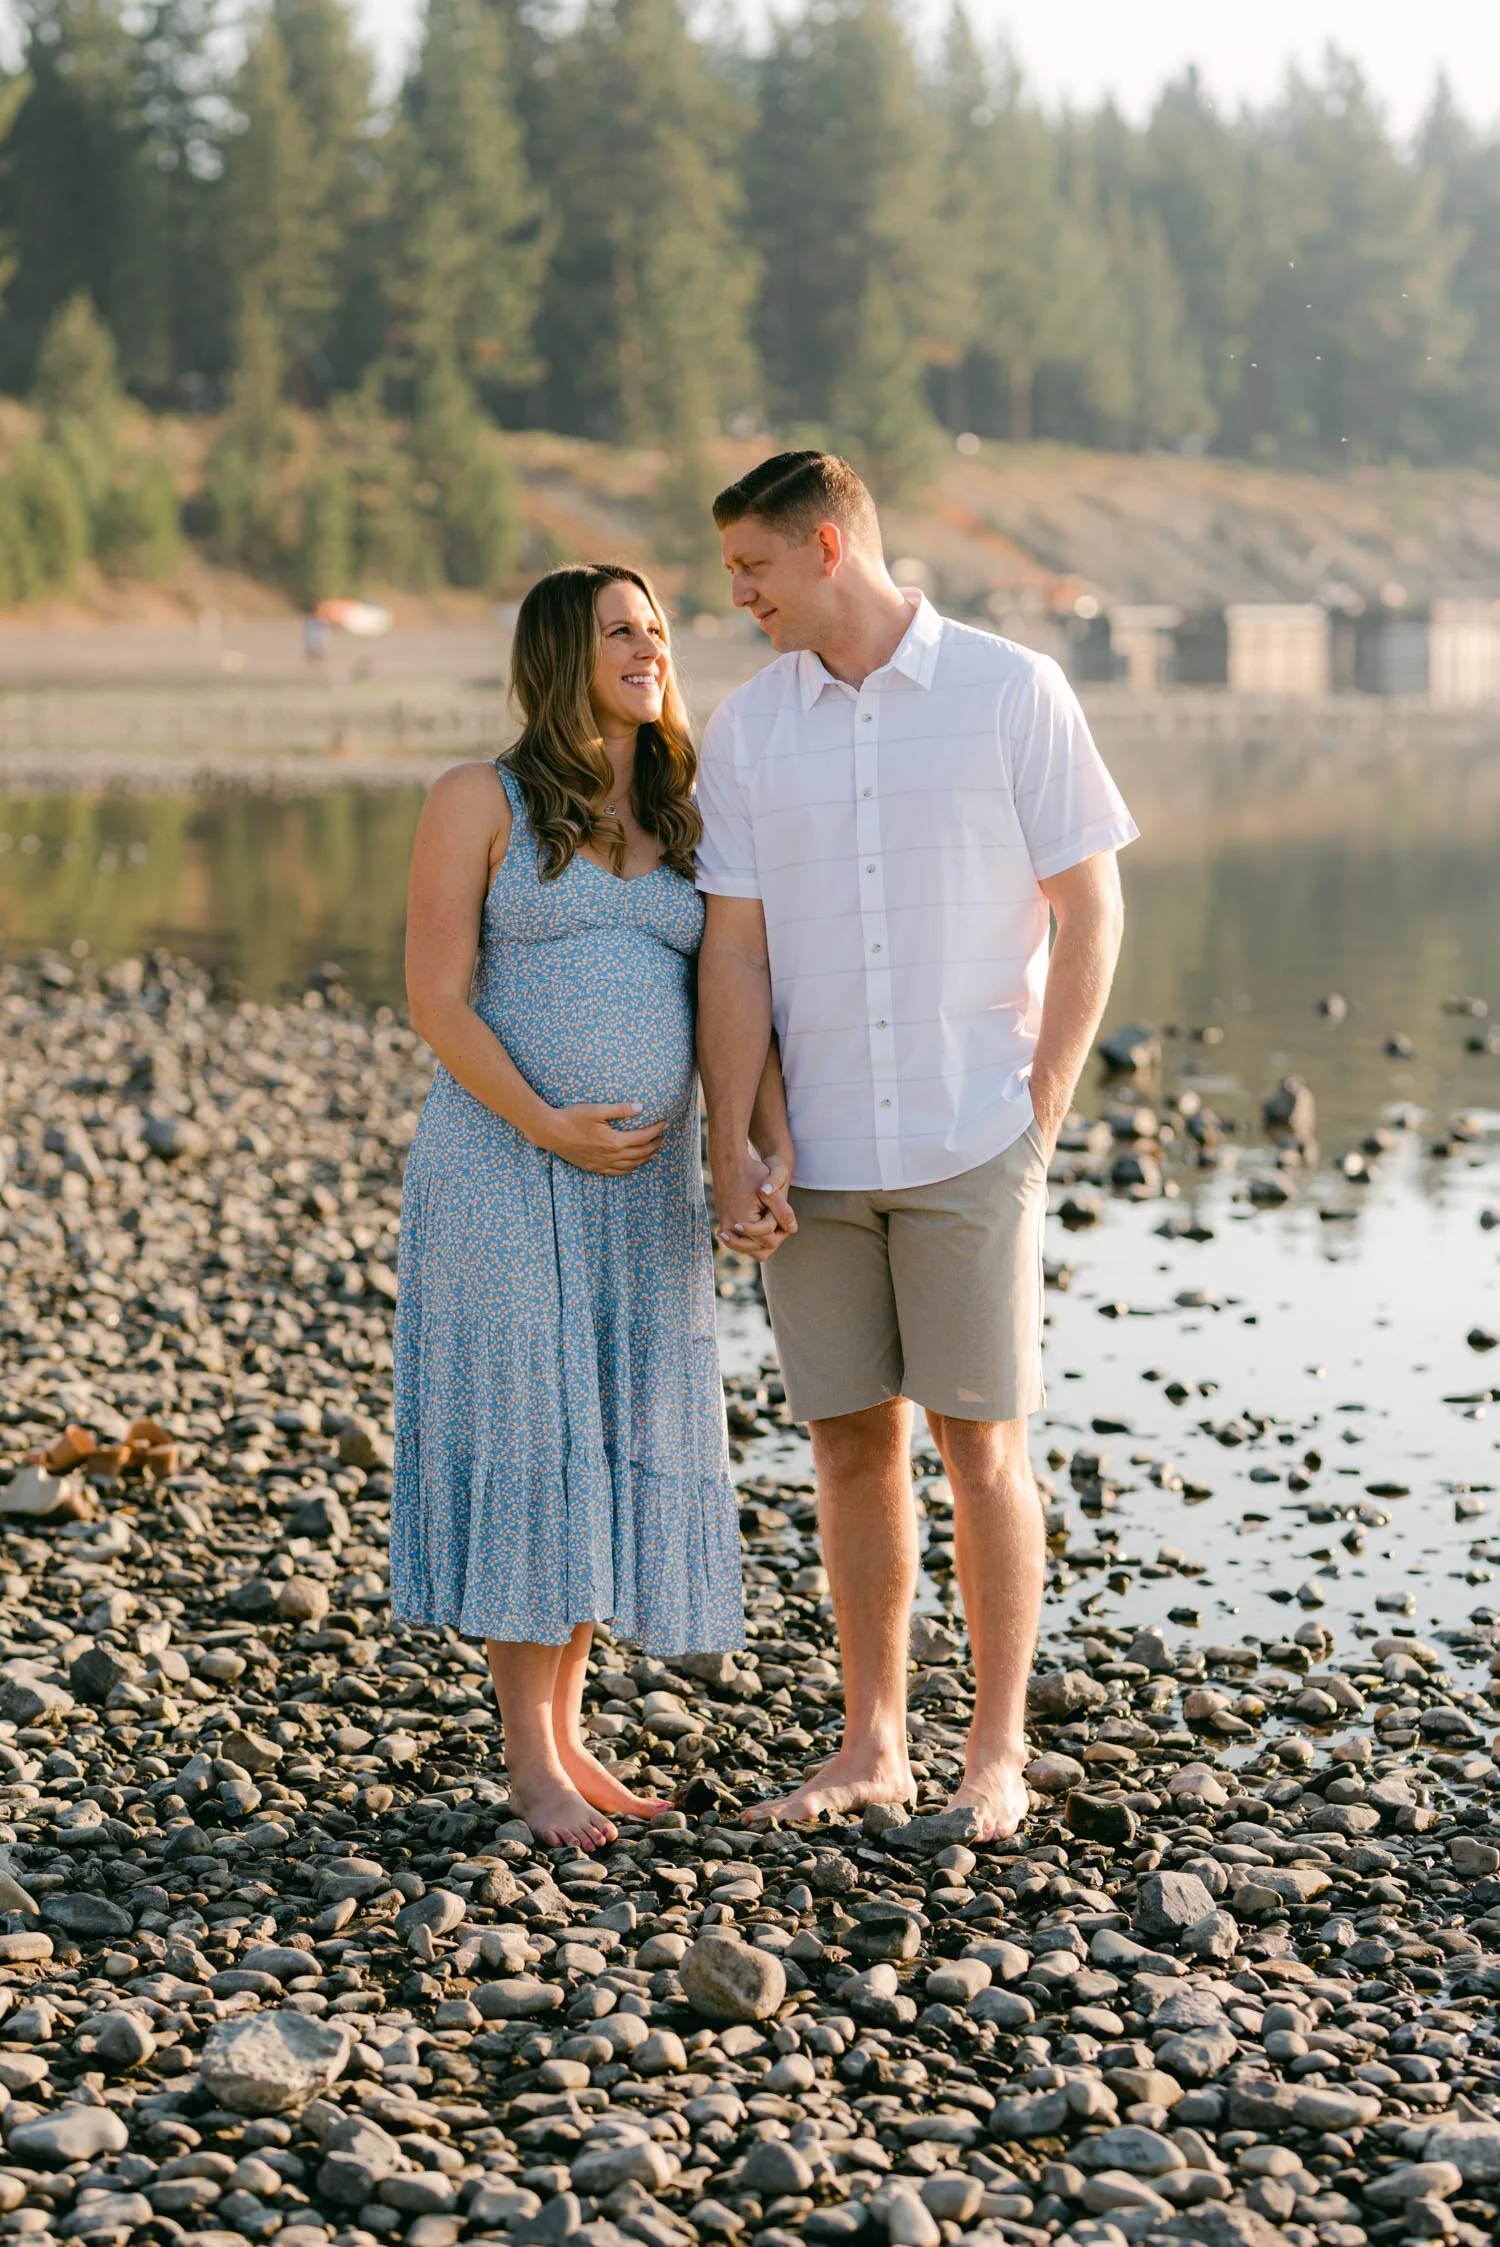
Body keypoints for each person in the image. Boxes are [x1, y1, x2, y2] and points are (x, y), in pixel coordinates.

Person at [696, 452, 1137, 1842]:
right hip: (813, 1148)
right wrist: (736, 1137)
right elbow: (738, 952)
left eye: (754, 569)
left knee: (983, 1444)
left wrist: (1041, 1114)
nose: (740, 596)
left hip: (971, 1136)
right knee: (845, 1446)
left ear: (829, 545)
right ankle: (872, 1742)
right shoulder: (752, 725)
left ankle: (993, 1752)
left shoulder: (1013, 691)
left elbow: (1091, 909)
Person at [391, 563, 783, 1851]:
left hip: (643, 1191)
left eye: (658, 628)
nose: (651, 647)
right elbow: (437, 998)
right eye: (622, 630)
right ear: (562, 654)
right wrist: (545, 1119)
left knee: (601, 1440)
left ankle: (568, 1738)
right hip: (508, 1167)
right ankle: (530, 1766)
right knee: (535, 1437)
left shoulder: (685, 808)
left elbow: (741, 992)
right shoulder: (478, 799)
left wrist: (749, 1145)